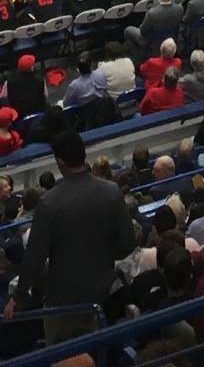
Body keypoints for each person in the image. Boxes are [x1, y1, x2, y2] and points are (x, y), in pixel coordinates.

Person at [23, 128, 136, 344]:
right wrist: (104, 257)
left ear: (60, 163)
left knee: (64, 356)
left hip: (63, 301)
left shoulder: (48, 202)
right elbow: (128, 243)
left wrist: (19, 296)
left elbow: (34, 259)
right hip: (103, 291)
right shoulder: (112, 191)